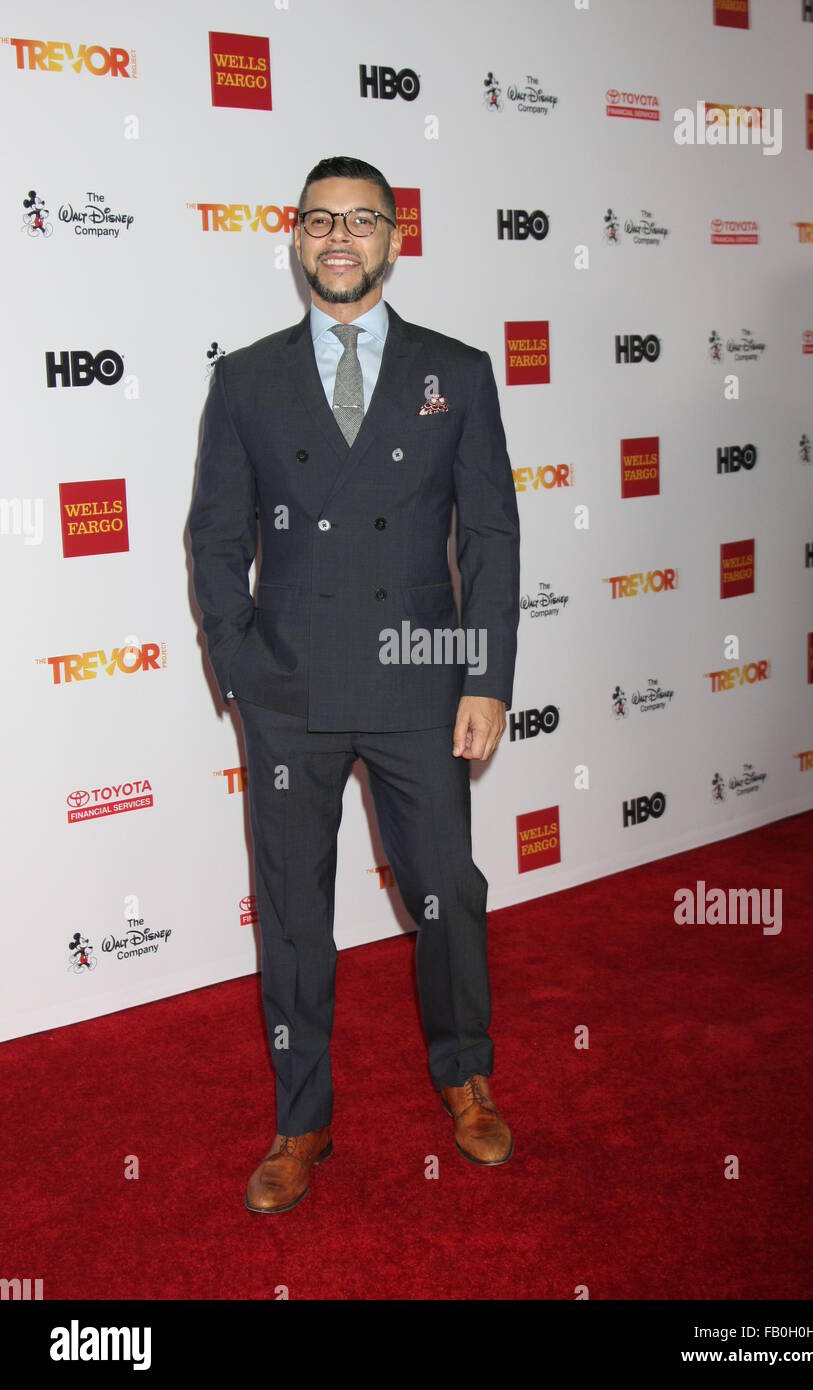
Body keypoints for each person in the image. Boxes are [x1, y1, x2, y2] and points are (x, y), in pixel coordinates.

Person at [187, 155, 520, 1214]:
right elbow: (213, 536)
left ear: (393, 239)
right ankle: (301, 1116)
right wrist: (240, 663)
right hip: (288, 690)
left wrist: (485, 676)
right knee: (292, 912)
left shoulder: (455, 371)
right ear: (293, 239)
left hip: (420, 681)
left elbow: (494, 537)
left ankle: (464, 1074)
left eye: (362, 220)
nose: (340, 237)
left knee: (446, 895)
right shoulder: (244, 378)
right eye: (320, 220)